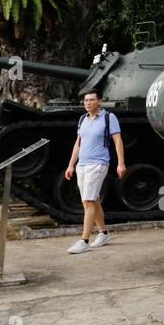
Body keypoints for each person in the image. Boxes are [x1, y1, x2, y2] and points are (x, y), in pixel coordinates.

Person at [64, 90, 125, 254]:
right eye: (85, 100)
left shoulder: (108, 117)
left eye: (91, 100)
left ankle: (84, 240)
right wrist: (71, 165)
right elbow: (78, 143)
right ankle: (103, 233)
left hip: (98, 164)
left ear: (99, 102)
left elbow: (118, 140)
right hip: (82, 165)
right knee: (92, 200)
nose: (88, 103)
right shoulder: (83, 119)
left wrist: (121, 163)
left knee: (89, 201)